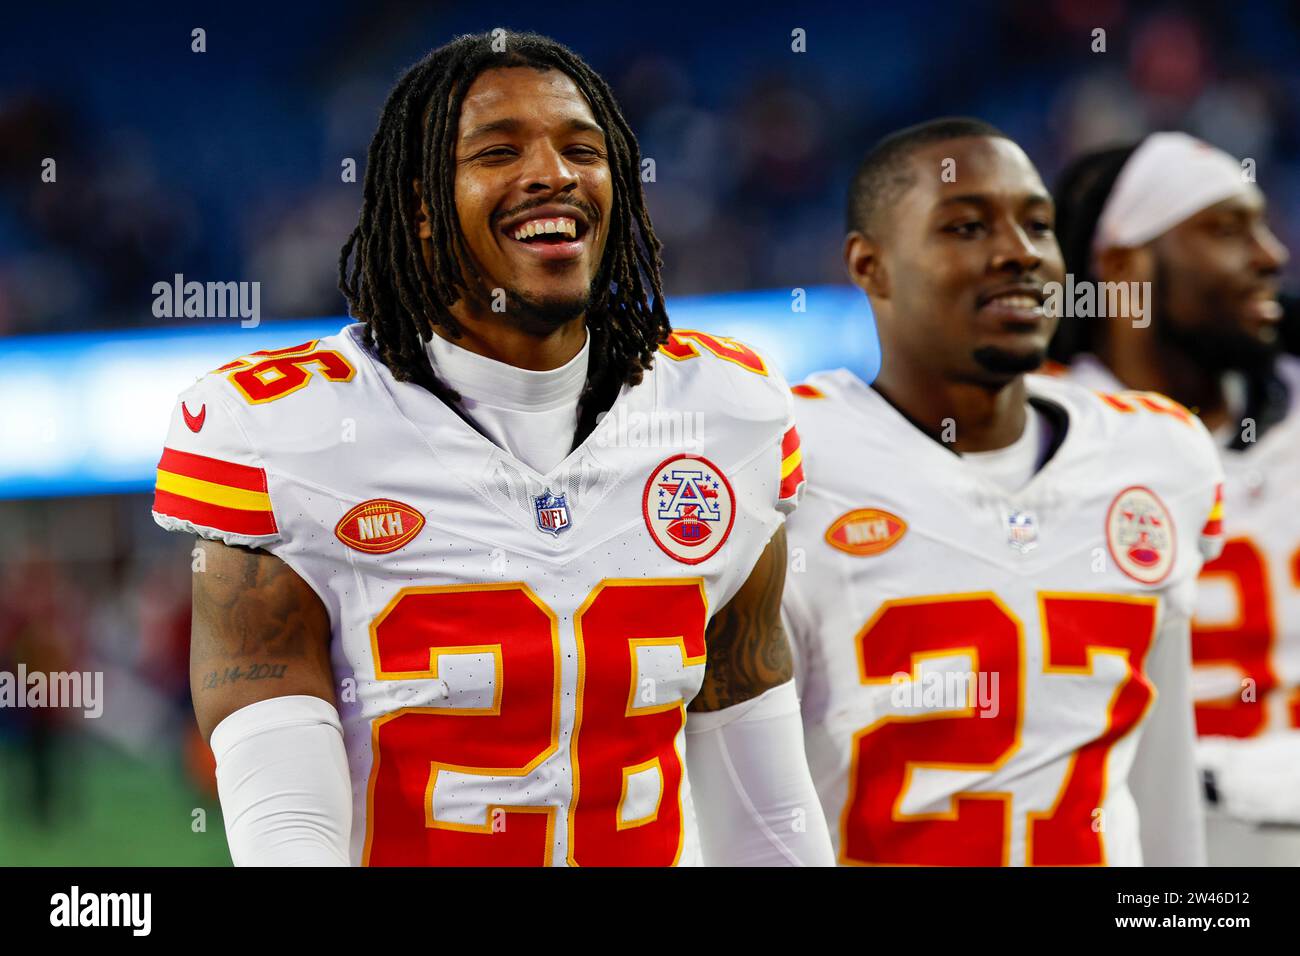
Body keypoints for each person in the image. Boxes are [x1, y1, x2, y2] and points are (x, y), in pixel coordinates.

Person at [151, 31, 832, 867]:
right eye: (498, 151)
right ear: (423, 204)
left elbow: (758, 790)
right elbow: (287, 817)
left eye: (582, 148)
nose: (553, 173)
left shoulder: (727, 415)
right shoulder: (284, 430)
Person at [781, 118, 1222, 865]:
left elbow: (1161, 767)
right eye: (965, 226)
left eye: (1039, 225)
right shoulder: (785, 459)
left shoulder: (1159, 453)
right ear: (871, 266)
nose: (1020, 251)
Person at [1052, 132, 1300, 862]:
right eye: (1225, 230)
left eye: (1260, 224)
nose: (1270, 255)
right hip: (1149, 845)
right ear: (1124, 267)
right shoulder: (1037, 444)